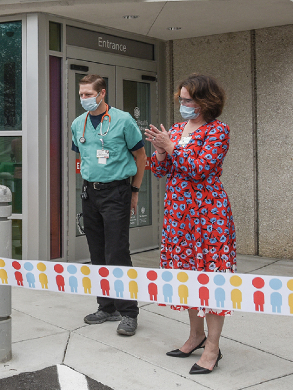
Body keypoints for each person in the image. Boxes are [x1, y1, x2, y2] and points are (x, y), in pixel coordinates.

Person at [144, 73, 236, 374]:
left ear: (205, 101)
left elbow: (199, 169)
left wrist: (171, 147)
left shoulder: (218, 131)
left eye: (187, 100)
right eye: (180, 99)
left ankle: (212, 347)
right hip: (179, 216)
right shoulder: (177, 129)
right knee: (187, 277)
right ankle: (196, 336)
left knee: (211, 279)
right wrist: (159, 152)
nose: (182, 105)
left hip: (208, 216)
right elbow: (161, 172)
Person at [71, 74, 147, 337]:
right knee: (97, 253)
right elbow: (83, 157)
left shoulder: (123, 120)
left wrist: (134, 191)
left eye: (88, 94)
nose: (84, 99)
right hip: (90, 193)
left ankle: (128, 312)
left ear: (102, 94)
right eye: (81, 95)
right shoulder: (78, 123)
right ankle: (106, 306)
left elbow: (141, 157)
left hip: (117, 192)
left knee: (117, 253)